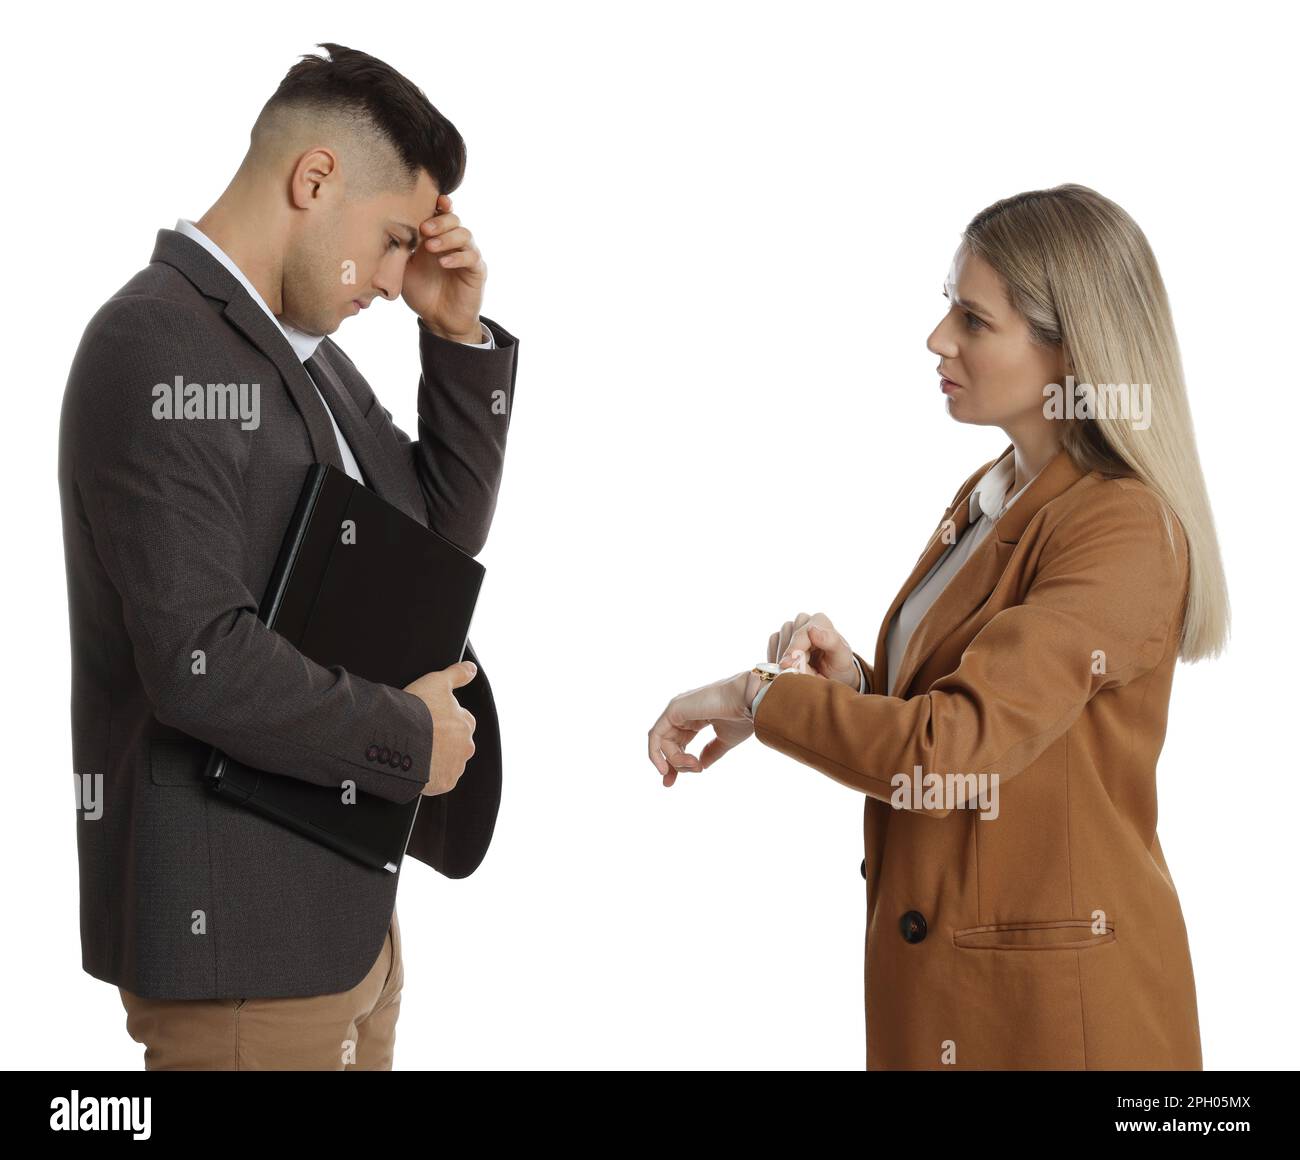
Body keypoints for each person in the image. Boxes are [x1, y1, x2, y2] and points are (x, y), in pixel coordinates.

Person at [647, 183, 1228, 1070]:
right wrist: (857, 690)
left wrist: (758, 698)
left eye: (973, 319)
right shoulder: (999, 492)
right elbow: (981, 719)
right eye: (945, 309)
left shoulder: (1120, 527)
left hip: (1059, 1024)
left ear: (1069, 349)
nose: (937, 340)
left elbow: (947, 754)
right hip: (962, 997)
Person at [58, 43, 518, 1069]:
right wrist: (407, 735)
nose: (400, 281)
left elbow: (438, 534)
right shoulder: (155, 343)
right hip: (242, 951)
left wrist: (456, 333)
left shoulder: (308, 357)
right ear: (314, 180)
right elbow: (196, 655)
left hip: (341, 927)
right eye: (396, 240)